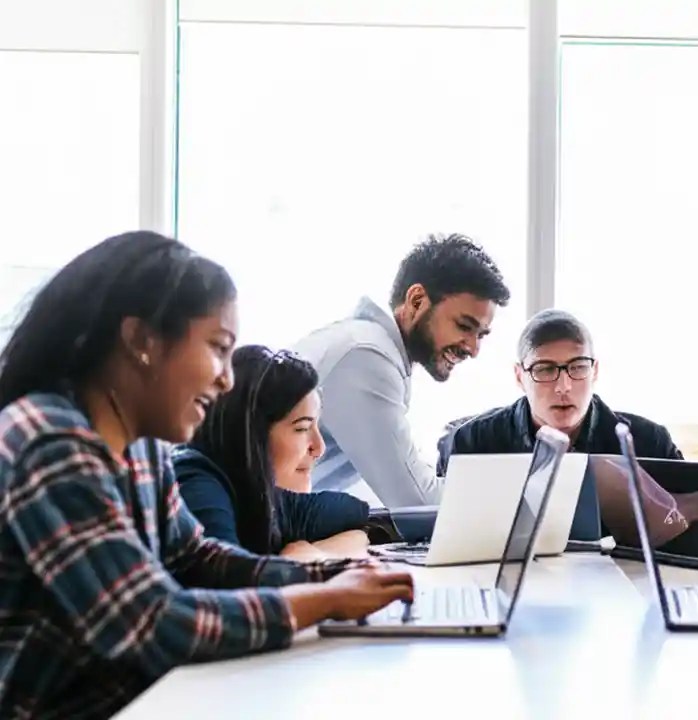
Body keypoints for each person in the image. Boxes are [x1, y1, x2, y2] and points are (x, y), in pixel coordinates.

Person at [0, 231, 413, 718]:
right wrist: (323, 599)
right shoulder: (48, 441)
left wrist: (336, 575)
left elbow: (196, 557)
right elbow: (152, 624)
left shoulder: (143, 448)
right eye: (218, 348)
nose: (227, 379)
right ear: (142, 342)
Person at [293, 233, 511, 507]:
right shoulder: (367, 357)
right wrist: (507, 501)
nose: (473, 348)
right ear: (417, 301)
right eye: (464, 326)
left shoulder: (366, 344)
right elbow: (418, 503)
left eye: (482, 335)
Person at [175, 345, 371, 560]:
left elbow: (355, 514)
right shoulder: (196, 484)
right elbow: (230, 581)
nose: (319, 447)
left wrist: (319, 552)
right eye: (302, 428)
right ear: (248, 434)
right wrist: (296, 563)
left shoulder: (258, 495)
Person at [436, 309, 683, 475]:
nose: (563, 386)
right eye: (544, 370)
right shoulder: (472, 445)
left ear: (595, 371)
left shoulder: (649, 444)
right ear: (519, 376)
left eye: (577, 367)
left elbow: (697, 532)